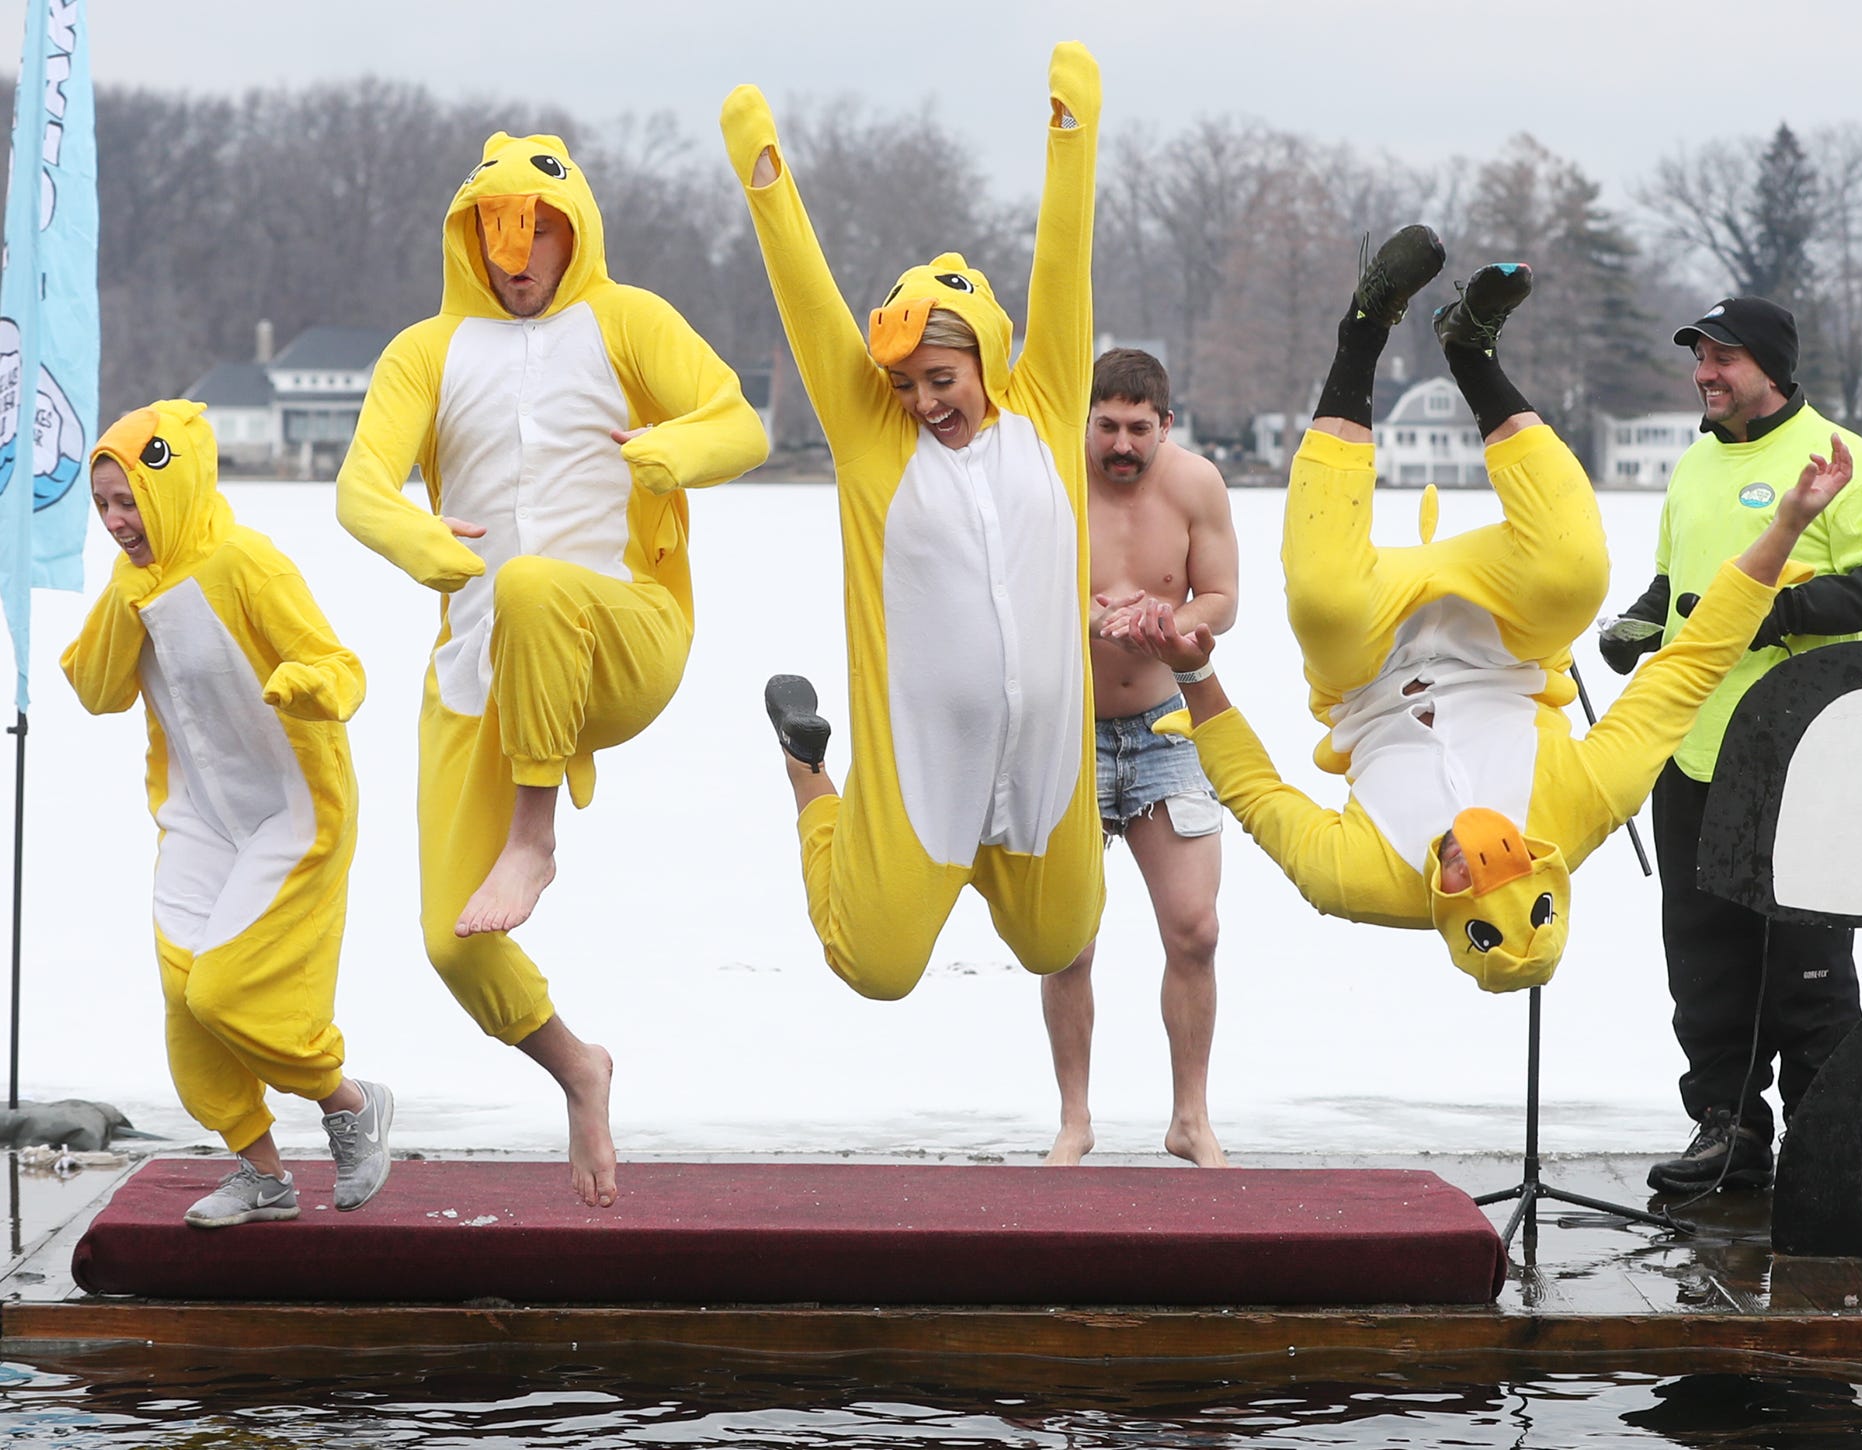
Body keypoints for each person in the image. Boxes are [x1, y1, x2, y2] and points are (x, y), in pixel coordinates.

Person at [1124, 228, 1850, 998]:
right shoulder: (1583, 807)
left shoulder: (1355, 883)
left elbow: (1257, 792)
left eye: (1458, 881)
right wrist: (1786, 529)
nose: (1462, 865)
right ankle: (1471, 352)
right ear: (1533, 857)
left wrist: (1195, 673)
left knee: (1324, 603)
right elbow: (1691, 665)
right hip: (1502, 633)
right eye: (1493, 861)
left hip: (1368, 670)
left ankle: (1363, 331)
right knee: (1578, 576)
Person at [337, 132, 769, 1209]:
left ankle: (535, 838)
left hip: (625, 635)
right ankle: (579, 1066)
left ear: (571, 231)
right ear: (469, 238)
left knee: (529, 580)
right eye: (494, 232)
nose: (513, 253)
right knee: (451, 945)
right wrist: (418, 539)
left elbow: (741, 424)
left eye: (534, 231)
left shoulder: (628, 320)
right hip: (479, 675)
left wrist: (675, 452)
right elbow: (359, 487)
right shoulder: (424, 352)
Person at [721, 44, 1107, 1003]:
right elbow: (811, 308)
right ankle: (810, 775)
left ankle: (1002, 871)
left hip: (1044, 773)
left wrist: (1071, 133)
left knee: (1061, 940)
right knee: (875, 968)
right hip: (921, 780)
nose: (925, 401)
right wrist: (767, 181)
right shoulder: (875, 447)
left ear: (986, 360)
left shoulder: (1049, 413)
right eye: (904, 384)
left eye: (941, 379)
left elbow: (1064, 263)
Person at [1597, 296, 1862, 1194]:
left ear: (1769, 368)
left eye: (1722, 359)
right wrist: (1636, 622)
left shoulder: (1838, 457)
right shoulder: (1694, 466)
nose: (1705, 374)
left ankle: (1825, 1143)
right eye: (1699, 358)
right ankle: (1729, 1129)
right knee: (1705, 954)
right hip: (1693, 747)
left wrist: (1776, 614)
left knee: (1805, 959)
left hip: (1805, 749)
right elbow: (1676, 583)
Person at [62, 400, 391, 1228]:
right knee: (184, 1002)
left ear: (170, 485)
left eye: (129, 499)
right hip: (199, 819)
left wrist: (308, 685)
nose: (116, 521)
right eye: (103, 504)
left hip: (292, 811)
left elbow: (340, 666)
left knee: (227, 991)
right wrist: (126, 592)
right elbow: (99, 692)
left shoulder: (246, 562)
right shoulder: (132, 583)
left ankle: (348, 1101)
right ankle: (264, 1176)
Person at [1040, 348, 1239, 1167]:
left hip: (1165, 724)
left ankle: (1190, 1118)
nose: (1121, 445)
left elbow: (1223, 600)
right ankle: (1075, 1118)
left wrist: (1171, 617)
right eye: (1106, 427)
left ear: (1166, 424)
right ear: (1085, 421)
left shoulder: (1196, 485)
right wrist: (1082, 612)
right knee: (1067, 939)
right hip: (1067, 733)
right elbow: (1005, 591)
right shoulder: (1050, 480)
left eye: (1138, 430)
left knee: (1194, 930)